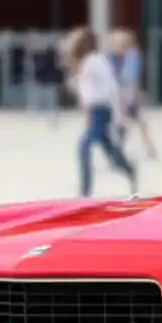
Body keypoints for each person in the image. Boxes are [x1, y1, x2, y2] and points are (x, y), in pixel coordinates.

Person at [62, 27, 137, 197]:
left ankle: (85, 190)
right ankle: (128, 169)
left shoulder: (96, 60)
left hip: (100, 109)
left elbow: (110, 87)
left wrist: (118, 115)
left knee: (84, 145)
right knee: (108, 147)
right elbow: (79, 89)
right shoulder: (85, 63)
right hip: (93, 109)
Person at [107, 28, 157, 158]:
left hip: (129, 95)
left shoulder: (133, 56)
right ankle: (119, 149)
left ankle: (149, 146)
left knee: (140, 121)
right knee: (118, 124)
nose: (119, 46)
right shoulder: (110, 58)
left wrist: (134, 96)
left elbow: (134, 78)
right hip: (115, 96)